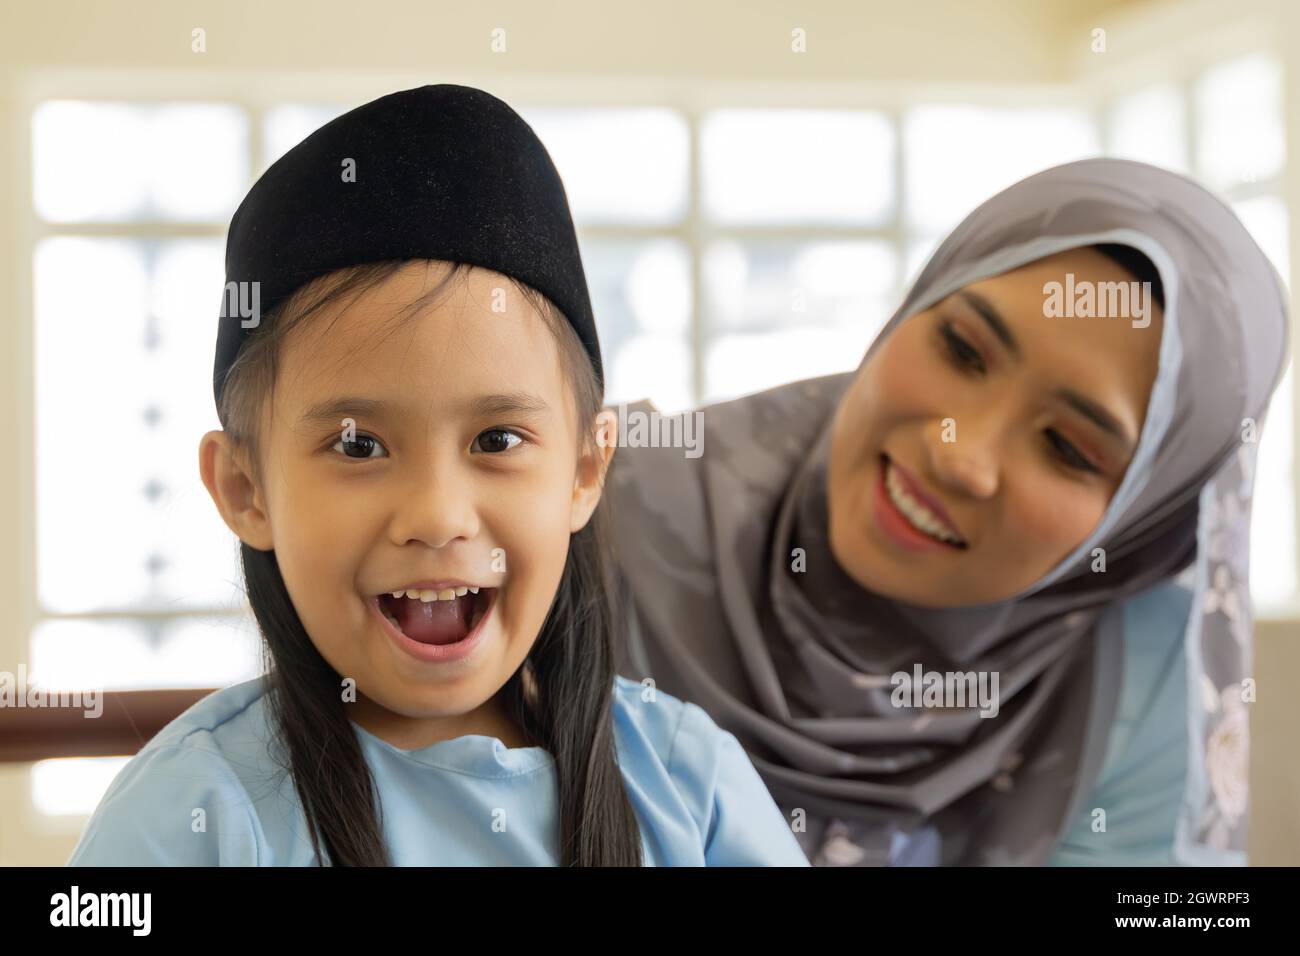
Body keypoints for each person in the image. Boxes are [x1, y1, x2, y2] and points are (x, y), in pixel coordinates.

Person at [66, 85, 809, 867]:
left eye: (497, 437)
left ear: (586, 471)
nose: (438, 515)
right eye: (358, 447)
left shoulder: (693, 787)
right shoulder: (188, 817)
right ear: (246, 491)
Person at [605, 158, 1288, 865]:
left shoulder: (1143, 676)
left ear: (1143, 526)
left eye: (1067, 447)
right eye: (962, 349)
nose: (960, 456)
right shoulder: (589, 512)